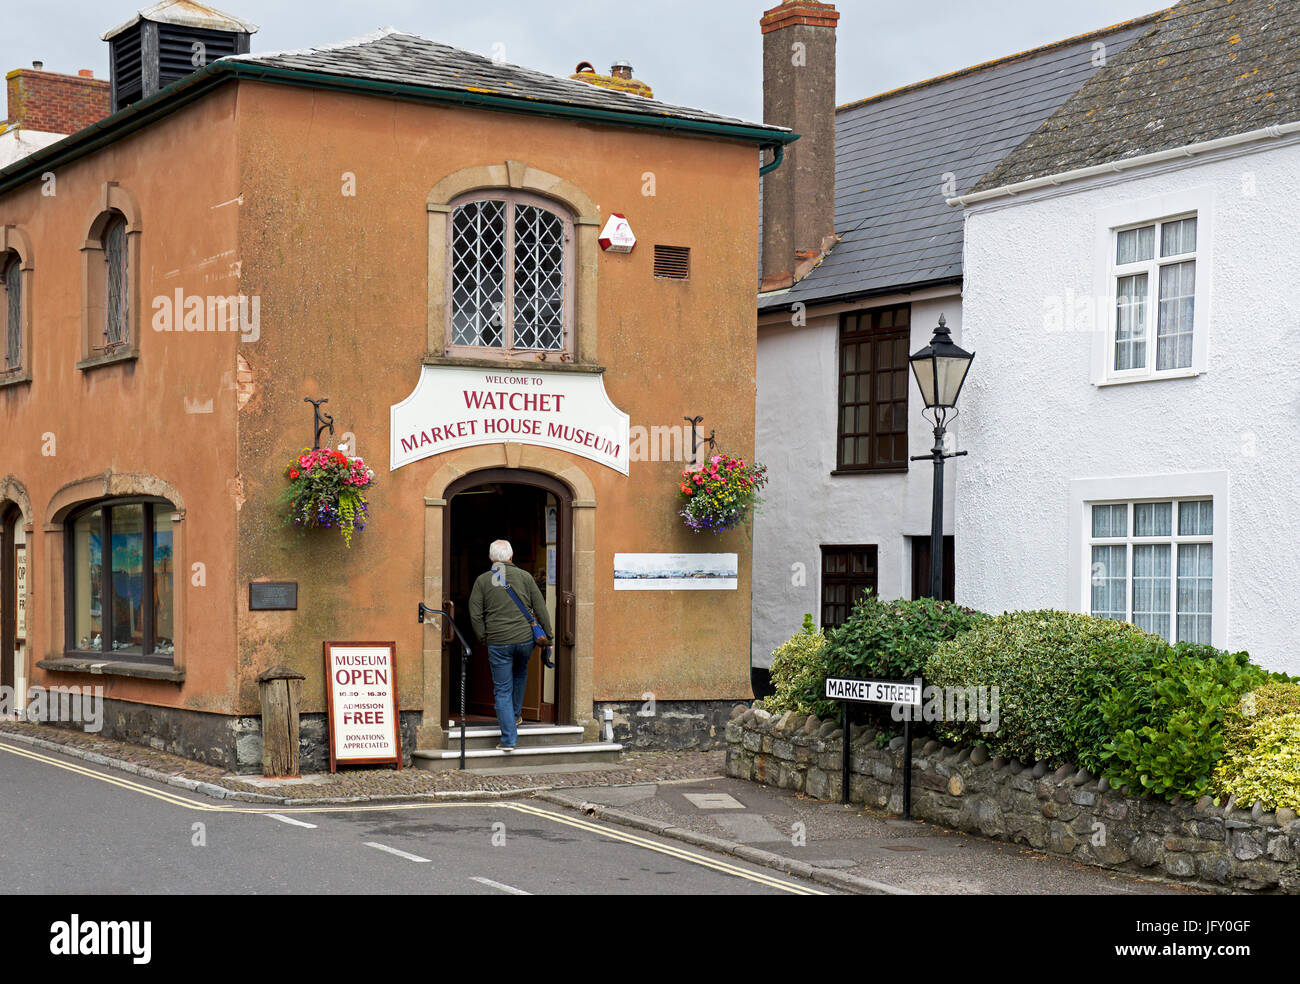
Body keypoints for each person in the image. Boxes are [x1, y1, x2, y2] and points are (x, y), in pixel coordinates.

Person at [468, 539, 554, 751]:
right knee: (520, 673)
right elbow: (540, 608)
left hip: (498, 641)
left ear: (491, 558)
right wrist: (548, 636)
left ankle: (508, 740)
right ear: (511, 557)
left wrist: (483, 638)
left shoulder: (482, 580)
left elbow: (475, 614)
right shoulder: (525, 577)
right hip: (525, 640)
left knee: (502, 689)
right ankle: (515, 716)